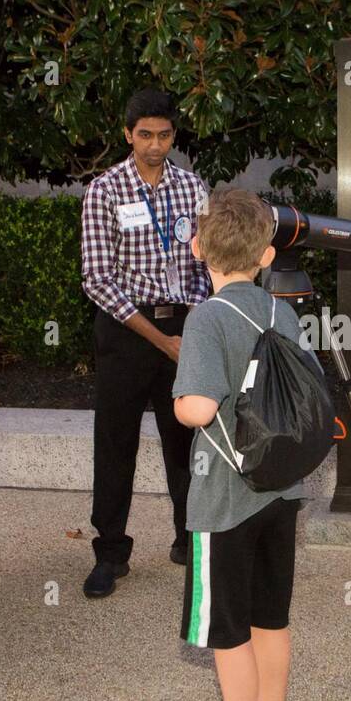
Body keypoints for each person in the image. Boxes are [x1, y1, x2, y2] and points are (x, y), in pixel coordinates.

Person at [171, 189, 306, 701]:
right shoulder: (286, 311)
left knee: (228, 631)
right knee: (270, 618)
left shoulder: (207, 318)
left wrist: (182, 401)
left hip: (225, 500)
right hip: (282, 490)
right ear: (268, 255)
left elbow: (198, 409)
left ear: (199, 248)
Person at [80, 88, 210, 597]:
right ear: (128, 134)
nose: (155, 146)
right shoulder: (105, 190)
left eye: (164, 135)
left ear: (174, 134)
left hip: (185, 328)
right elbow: (97, 278)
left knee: (187, 443)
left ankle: (189, 540)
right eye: (145, 135)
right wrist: (160, 339)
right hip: (127, 332)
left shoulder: (193, 187)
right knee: (116, 444)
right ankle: (111, 552)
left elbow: (205, 263)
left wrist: (194, 323)